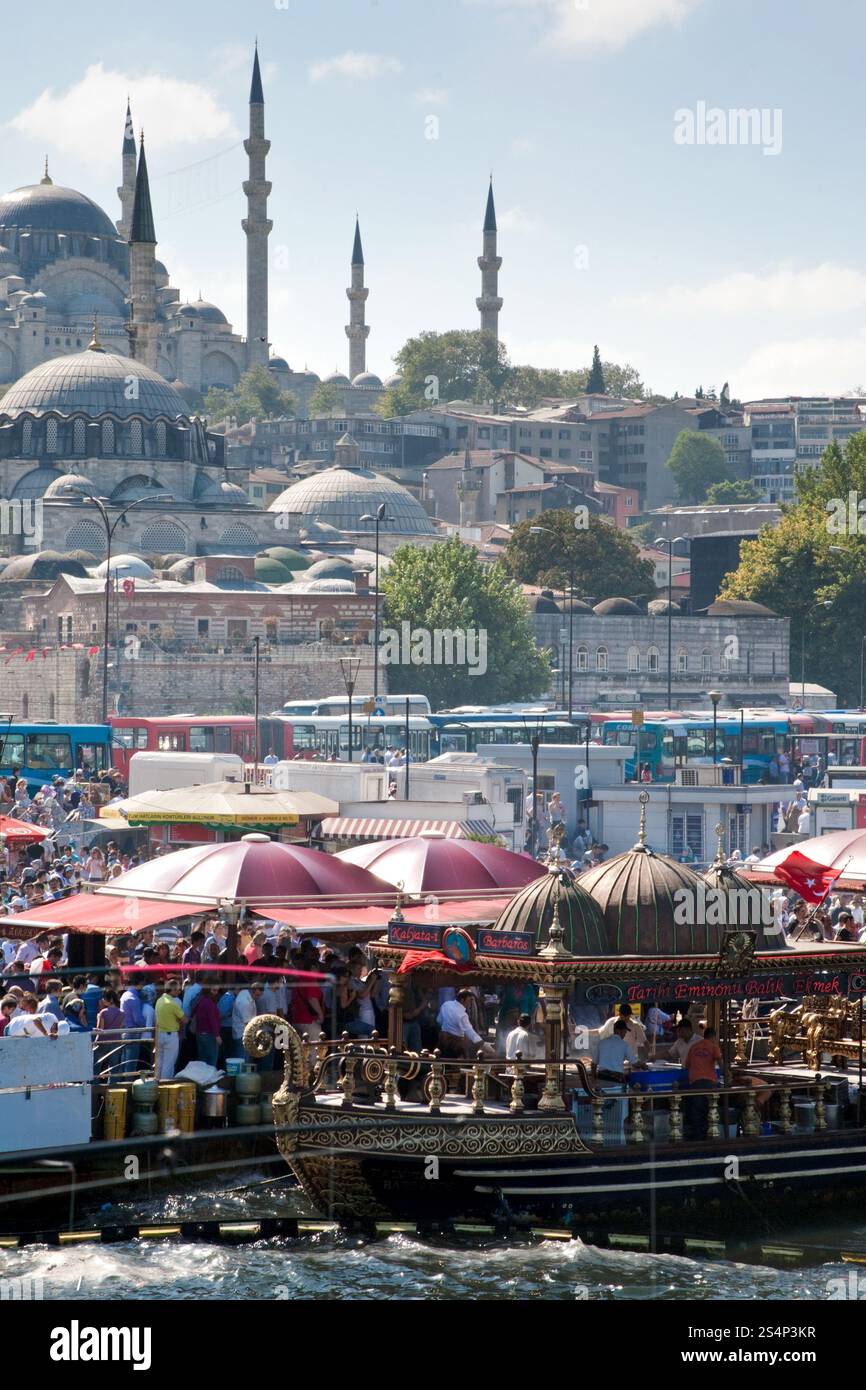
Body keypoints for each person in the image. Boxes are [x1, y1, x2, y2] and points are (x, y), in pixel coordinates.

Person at [684, 1026, 722, 1139]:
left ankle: (697, 1136)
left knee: (696, 1109)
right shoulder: (714, 1047)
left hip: (695, 1081)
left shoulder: (694, 1047)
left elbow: (687, 1066)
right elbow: (720, 1062)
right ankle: (707, 1136)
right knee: (709, 1109)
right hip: (709, 1082)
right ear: (714, 1037)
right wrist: (727, 1074)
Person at [437, 989, 494, 1059]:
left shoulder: (446, 1004)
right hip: (455, 1043)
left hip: (442, 1039)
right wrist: (489, 1049)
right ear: (462, 1000)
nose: (470, 1003)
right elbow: (472, 1034)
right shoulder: (462, 1015)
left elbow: (439, 1020)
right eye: (469, 1000)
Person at [154, 980, 186, 1079]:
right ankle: (165, 1086)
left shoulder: (159, 1000)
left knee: (159, 1062)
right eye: (177, 990)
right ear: (172, 989)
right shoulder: (173, 1003)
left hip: (159, 1034)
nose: (179, 992)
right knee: (169, 1063)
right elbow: (185, 1020)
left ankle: (157, 1084)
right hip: (170, 1036)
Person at [192, 985, 222, 1067]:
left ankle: (202, 1078)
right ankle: (210, 1079)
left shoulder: (200, 1000)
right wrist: (217, 1035)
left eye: (217, 991)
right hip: (209, 1035)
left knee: (202, 1060)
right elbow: (212, 1020)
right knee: (211, 1061)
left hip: (200, 1034)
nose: (216, 993)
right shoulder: (209, 1002)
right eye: (214, 990)